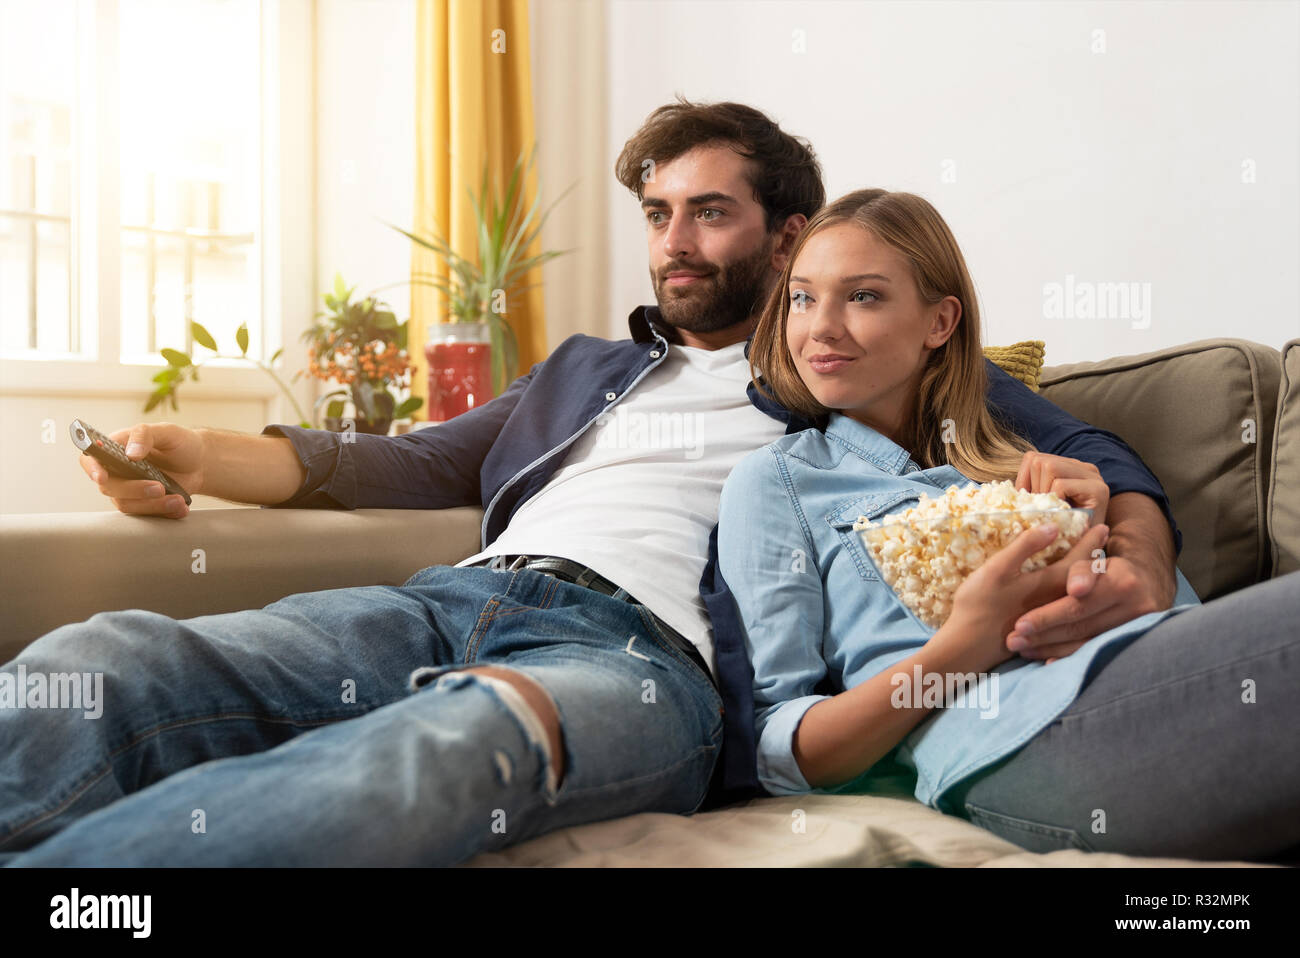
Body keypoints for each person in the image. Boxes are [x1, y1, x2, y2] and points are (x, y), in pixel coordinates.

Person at [1, 101, 1185, 866]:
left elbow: (1095, 458)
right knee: (109, 656)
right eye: (659, 213)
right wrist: (197, 458)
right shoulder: (587, 372)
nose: (672, 241)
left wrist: (1131, 555)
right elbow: (400, 459)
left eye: (708, 213)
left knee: (444, 748)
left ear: (788, 235)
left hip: (637, 660)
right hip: (441, 599)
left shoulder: (849, 373)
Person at [717, 187, 1300, 862]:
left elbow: (1162, 615)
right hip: (1011, 741)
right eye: (803, 297)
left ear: (940, 322)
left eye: (863, 296)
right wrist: (965, 644)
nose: (820, 326)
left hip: (1153, 677)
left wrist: (1094, 533)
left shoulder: (1027, 461)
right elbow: (775, 746)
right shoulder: (779, 482)